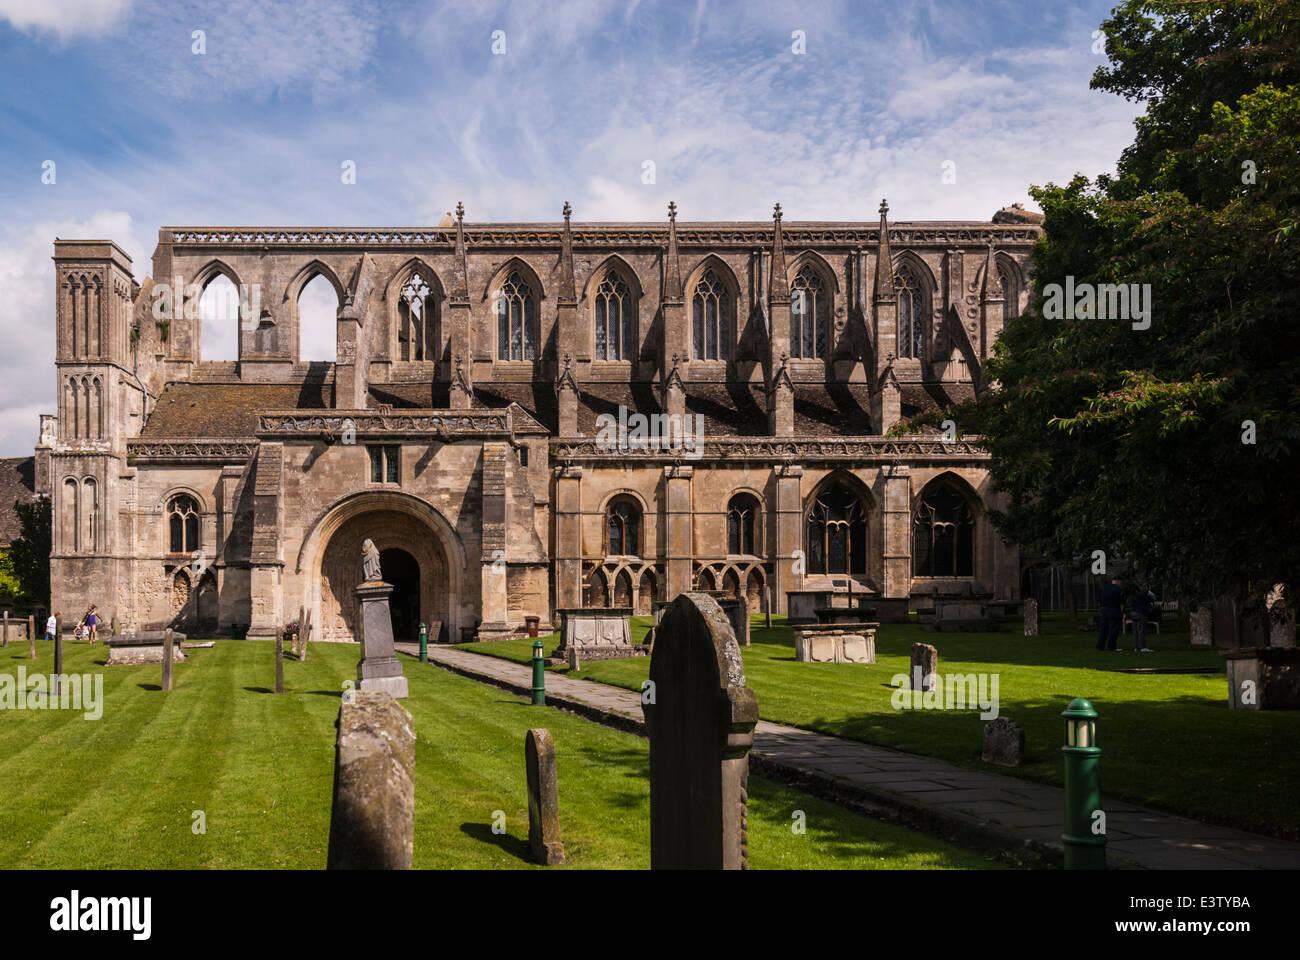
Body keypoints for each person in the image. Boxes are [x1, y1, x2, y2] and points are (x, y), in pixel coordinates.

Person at [1097, 575, 1123, 651]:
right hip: (1114, 610)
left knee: (1103, 629)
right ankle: (1111, 646)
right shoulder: (1118, 589)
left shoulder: (1103, 588)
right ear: (1118, 581)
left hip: (1104, 610)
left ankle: (1100, 646)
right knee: (1113, 629)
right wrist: (1121, 613)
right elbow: (1121, 603)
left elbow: (1099, 601)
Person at [1129, 587, 1156, 653]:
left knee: (1135, 631)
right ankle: (1142, 647)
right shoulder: (1145, 595)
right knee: (1142, 630)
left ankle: (1136, 647)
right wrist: (1151, 594)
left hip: (1133, 613)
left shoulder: (1134, 595)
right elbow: (1153, 599)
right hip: (1141, 613)